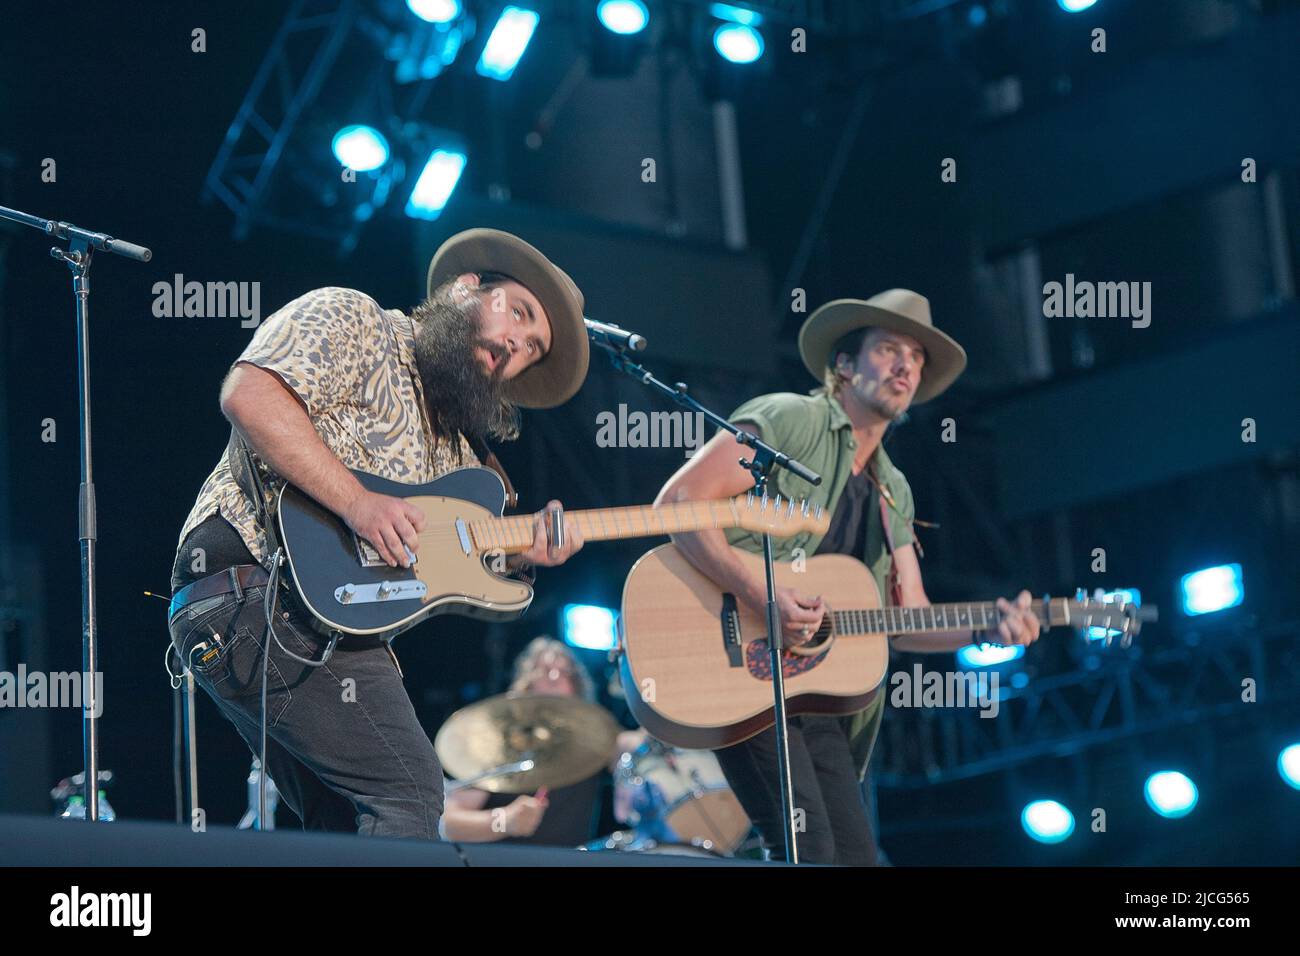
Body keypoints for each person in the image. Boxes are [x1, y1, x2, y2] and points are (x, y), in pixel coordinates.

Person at [165, 229, 589, 838]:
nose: (515, 345)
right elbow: (250, 395)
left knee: (343, 822)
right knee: (409, 790)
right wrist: (358, 504)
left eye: (533, 348)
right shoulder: (356, 318)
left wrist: (527, 548)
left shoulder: (460, 451)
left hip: (306, 620)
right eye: (518, 313)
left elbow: (459, 555)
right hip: (256, 588)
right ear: (464, 288)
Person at [654, 290, 1042, 865]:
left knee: (856, 857)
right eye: (888, 349)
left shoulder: (894, 489)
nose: (905, 366)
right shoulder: (791, 418)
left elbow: (906, 621)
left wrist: (988, 629)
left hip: (817, 693)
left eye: (916, 357)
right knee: (809, 847)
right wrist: (761, 596)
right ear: (844, 365)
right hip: (735, 666)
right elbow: (680, 503)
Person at [442, 637, 645, 845]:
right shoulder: (497, 745)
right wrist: (504, 821)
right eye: (545, 671)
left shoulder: (595, 743)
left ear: (576, 687)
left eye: (565, 672)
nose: (555, 677)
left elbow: (636, 745)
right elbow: (449, 823)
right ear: (526, 684)